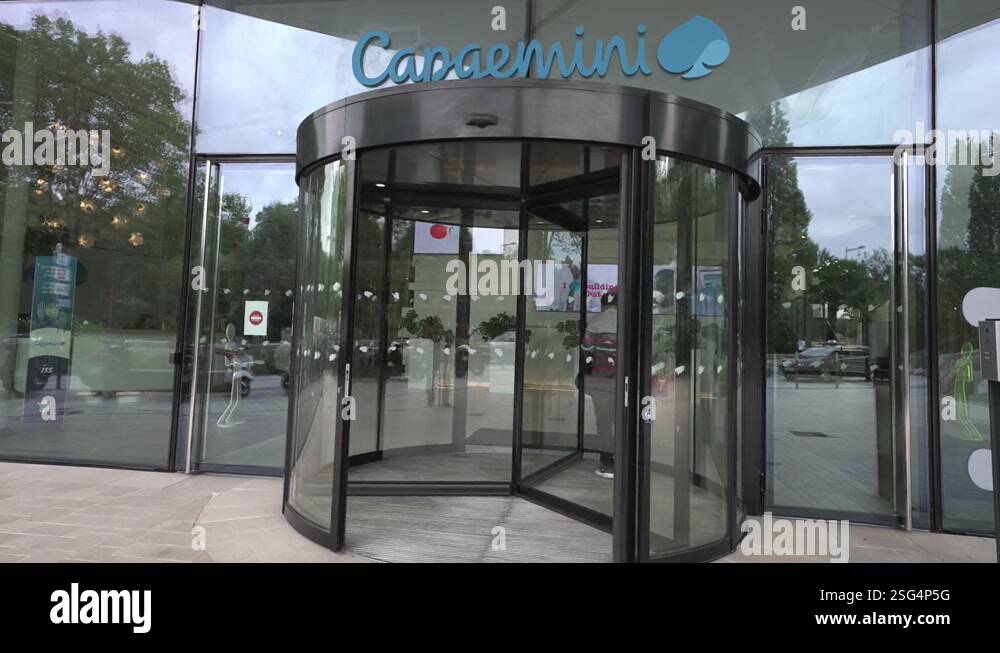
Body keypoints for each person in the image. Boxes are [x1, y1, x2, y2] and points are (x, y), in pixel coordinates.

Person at [584, 288, 618, 479]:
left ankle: (607, 464)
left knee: (603, 422)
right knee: (622, 421)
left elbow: (587, 350)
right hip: (623, 382)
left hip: (600, 380)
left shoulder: (595, 322)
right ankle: (625, 461)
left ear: (604, 304)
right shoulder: (628, 322)